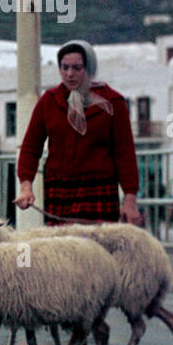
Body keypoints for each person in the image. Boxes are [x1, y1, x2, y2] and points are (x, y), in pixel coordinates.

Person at [16, 39, 141, 226]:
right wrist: (26, 187)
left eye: (77, 68)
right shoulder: (48, 102)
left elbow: (125, 154)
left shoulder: (113, 102)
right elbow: (30, 148)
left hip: (98, 189)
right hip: (60, 190)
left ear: (89, 68)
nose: (69, 74)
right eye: (64, 68)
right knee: (62, 252)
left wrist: (130, 201)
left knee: (97, 251)